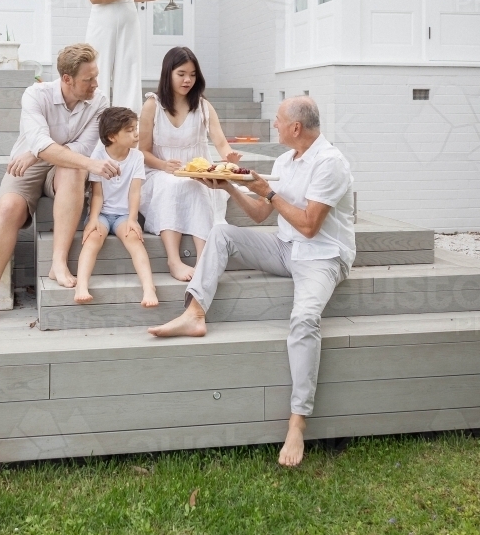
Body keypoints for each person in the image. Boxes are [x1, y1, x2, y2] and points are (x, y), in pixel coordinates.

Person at [148, 96, 355, 470]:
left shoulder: (330, 163)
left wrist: (269, 193)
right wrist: (228, 186)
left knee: (305, 319)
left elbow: (309, 225)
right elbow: (262, 213)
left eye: (278, 121)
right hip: (286, 248)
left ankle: (297, 421)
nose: (274, 125)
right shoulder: (284, 160)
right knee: (223, 232)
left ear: (296, 127)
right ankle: (195, 313)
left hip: (323, 256)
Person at [0, 43, 120, 331]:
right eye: (89, 79)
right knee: (9, 207)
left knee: (72, 167)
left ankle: (58, 262)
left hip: (53, 163)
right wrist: (42, 151)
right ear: (67, 79)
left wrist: (38, 150)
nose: (96, 84)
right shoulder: (36, 95)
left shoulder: (99, 101)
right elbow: (46, 142)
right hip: (26, 168)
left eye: (96, 76)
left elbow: (82, 147)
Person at [139, 46, 241, 282]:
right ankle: (174, 260)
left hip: (196, 171)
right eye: (181, 73)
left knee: (196, 184)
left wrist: (229, 157)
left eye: (193, 74)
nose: (188, 80)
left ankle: (204, 258)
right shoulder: (152, 106)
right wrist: (164, 165)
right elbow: (142, 151)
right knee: (174, 185)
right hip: (160, 170)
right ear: (168, 73)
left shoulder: (203, 106)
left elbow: (221, 143)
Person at [75, 106, 158, 308]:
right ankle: (81, 286)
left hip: (123, 215)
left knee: (134, 239)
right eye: (129, 130)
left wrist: (132, 219)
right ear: (112, 136)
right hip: (102, 213)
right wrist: (93, 219)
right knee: (93, 237)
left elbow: (135, 191)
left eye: (135, 128)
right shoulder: (98, 156)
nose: (136, 133)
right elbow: (97, 194)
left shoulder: (137, 157)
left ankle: (149, 288)